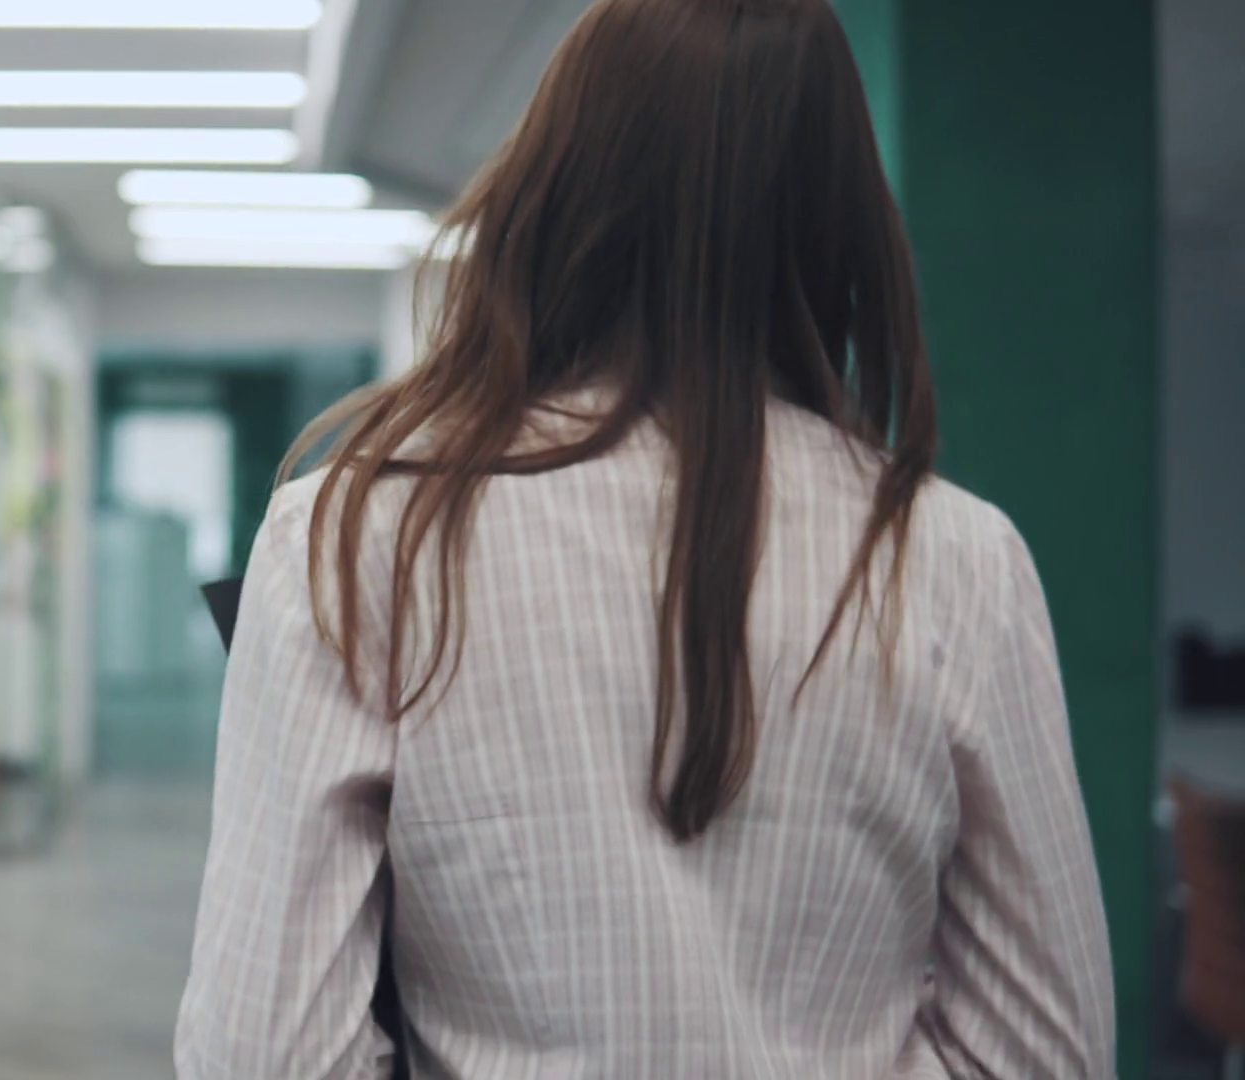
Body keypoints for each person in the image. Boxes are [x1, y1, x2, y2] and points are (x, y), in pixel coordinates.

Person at [173, 0, 1117, 1076]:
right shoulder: (959, 561)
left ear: (553, 188)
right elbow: (1045, 1054)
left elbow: (268, 1054)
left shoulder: (359, 535)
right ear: (842, 218)